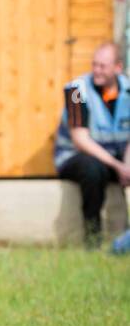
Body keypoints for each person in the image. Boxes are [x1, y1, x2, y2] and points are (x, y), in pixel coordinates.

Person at [55, 42, 130, 244]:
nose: (96, 70)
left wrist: (127, 165)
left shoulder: (128, 91)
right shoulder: (76, 90)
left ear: (118, 67)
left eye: (102, 66)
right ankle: (93, 237)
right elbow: (80, 139)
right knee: (92, 169)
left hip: (117, 158)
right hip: (75, 157)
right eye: (94, 64)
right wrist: (118, 166)